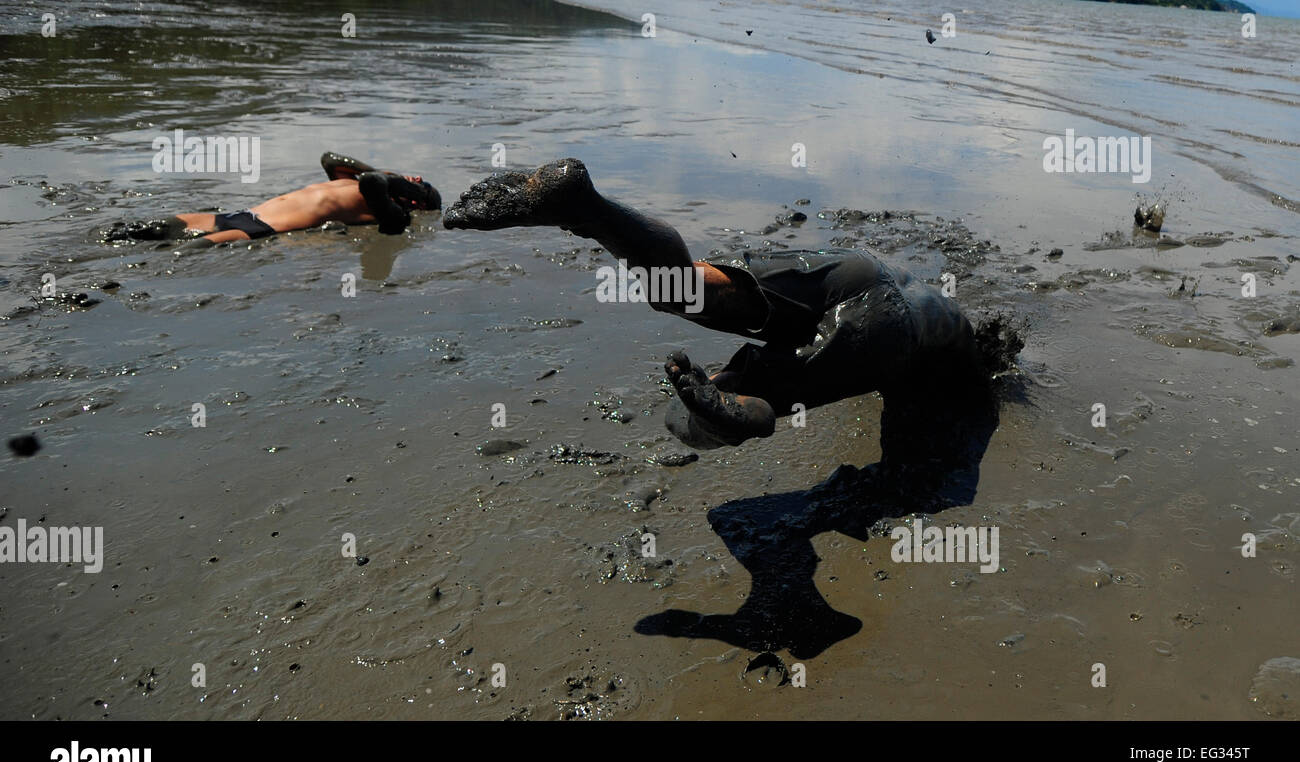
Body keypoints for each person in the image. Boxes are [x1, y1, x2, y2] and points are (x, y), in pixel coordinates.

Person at [442, 158, 991, 453]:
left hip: (854, 265)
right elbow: (955, 391)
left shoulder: (939, 298)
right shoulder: (965, 362)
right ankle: (737, 404)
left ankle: (587, 209)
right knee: (698, 414)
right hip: (890, 333)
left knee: (684, 285)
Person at [102, 152, 440, 246]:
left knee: (178, 252)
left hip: (263, 229)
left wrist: (402, 186)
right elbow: (330, 158)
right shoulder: (348, 181)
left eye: (419, 182)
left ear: (417, 201)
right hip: (238, 213)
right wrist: (397, 178)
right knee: (147, 229)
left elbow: (372, 182)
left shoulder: (391, 213)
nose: (412, 176)